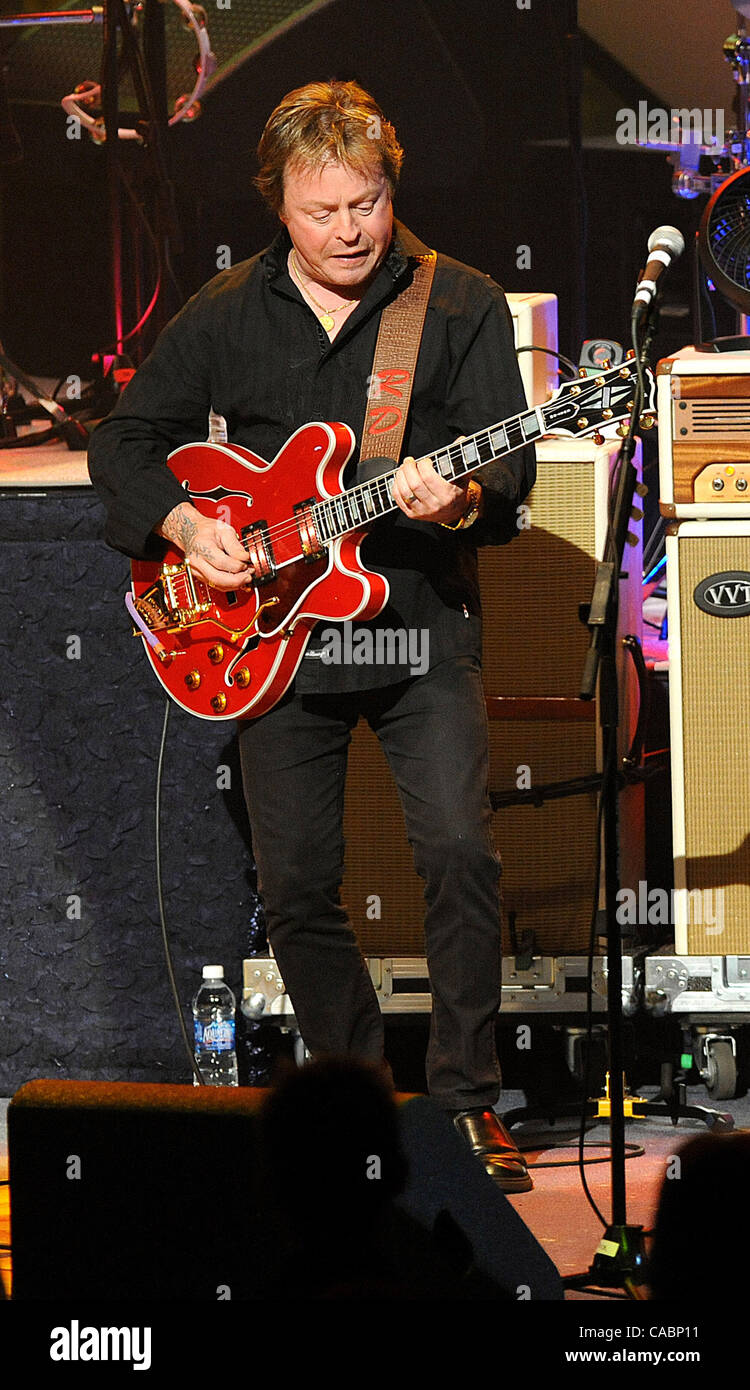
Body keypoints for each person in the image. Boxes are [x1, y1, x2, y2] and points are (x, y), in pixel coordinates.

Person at [88, 79, 536, 1192]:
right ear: (278, 205)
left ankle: (469, 1102)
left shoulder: (461, 301)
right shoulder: (228, 309)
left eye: (368, 203)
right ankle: (359, 1099)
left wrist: (460, 498)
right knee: (294, 885)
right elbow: (123, 444)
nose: (349, 230)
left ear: (393, 190)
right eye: (324, 209)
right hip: (269, 634)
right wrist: (189, 524)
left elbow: (513, 472)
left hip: (416, 620)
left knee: (458, 855)